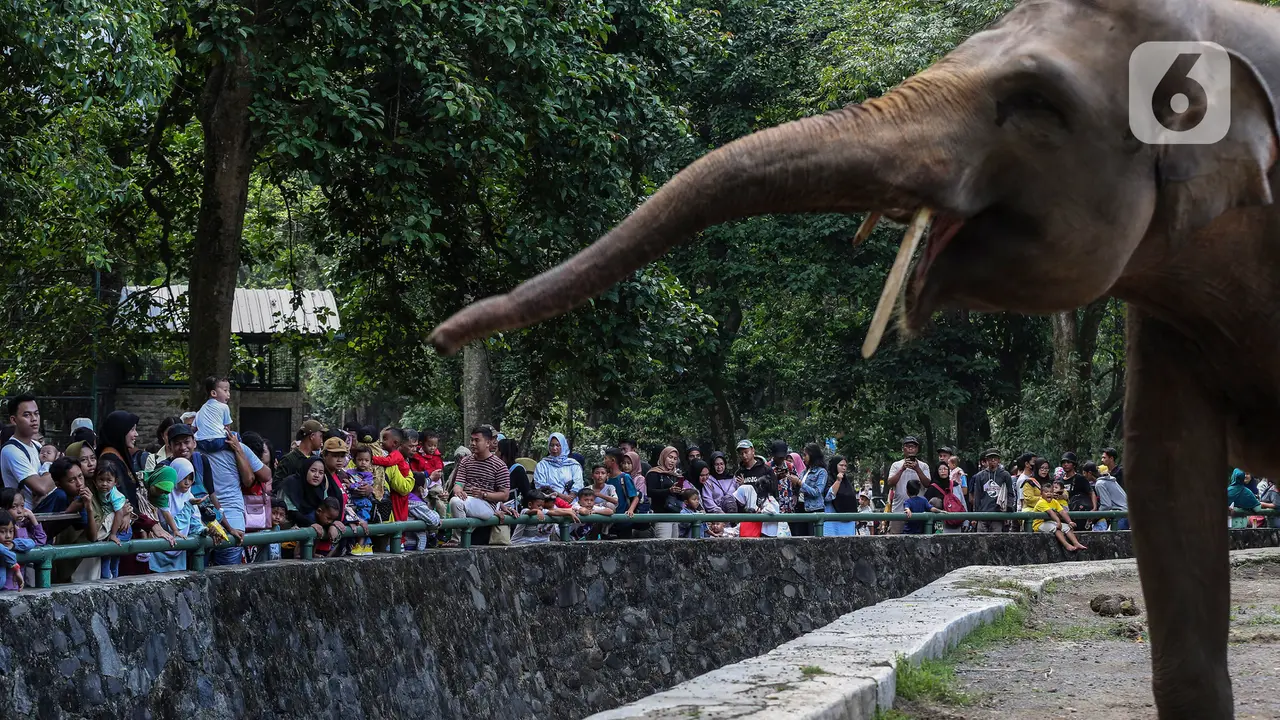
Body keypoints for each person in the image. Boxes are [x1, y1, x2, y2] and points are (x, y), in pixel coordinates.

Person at [447, 426, 511, 529]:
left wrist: (484, 495)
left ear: (488, 443)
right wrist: (458, 490)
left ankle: (459, 538)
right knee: (455, 500)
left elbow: (504, 495)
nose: (473, 443)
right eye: (472, 440)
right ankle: (463, 536)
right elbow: (459, 483)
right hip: (467, 500)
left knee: (456, 502)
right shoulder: (465, 461)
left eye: (477, 440)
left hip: (487, 505)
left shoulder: (500, 465)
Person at [2, 394, 53, 501]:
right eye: (27, 415)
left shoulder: (37, 446)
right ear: (13, 420)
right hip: (26, 514)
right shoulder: (11, 450)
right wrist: (52, 465)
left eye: (36, 413)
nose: (34, 419)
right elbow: (41, 488)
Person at [92, 465, 133, 579]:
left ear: (115, 482)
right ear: (95, 481)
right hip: (112, 529)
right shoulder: (98, 492)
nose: (104, 484)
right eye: (101, 480)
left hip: (122, 531)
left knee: (108, 555)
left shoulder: (115, 495)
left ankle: (110, 579)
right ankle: (111, 578)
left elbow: (119, 513)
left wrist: (113, 534)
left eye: (108, 480)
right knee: (110, 557)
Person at [886, 436, 930, 534]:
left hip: (918, 512)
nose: (910, 449)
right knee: (895, 541)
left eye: (913, 446)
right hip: (899, 510)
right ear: (903, 449)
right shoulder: (896, 465)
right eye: (908, 446)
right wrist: (902, 469)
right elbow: (890, 483)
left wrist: (917, 469)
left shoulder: (923, 466)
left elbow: (927, 484)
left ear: (917, 449)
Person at [1034, 479, 1087, 551]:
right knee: (1057, 528)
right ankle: (1066, 545)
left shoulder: (1054, 501)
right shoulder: (1041, 502)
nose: (1049, 494)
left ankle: (1076, 543)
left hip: (1050, 522)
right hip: (1038, 524)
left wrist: (1069, 522)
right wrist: (1058, 522)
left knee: (1068, 527)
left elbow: (1062, 512)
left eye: (1051, 492)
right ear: (1041, 494)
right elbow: (1051, 512)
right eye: (1046, 492)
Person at [970, 449, 1014, 532]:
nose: (993, 460)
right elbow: (977, 496)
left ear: (999, 460)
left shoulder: (1005, 475)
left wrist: (1008, 511)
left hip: (998, 514)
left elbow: (1010, 494)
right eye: (990, 458)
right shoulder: (980, 476)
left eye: (995, 458)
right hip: (983, 514)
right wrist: (975, 516)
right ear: (987, 460)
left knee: (996, 540)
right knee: (981, 540)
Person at [533, 433, 583, 504]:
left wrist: (571, 497)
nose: (554, 448)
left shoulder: (573, 464)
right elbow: (541, 486)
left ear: (563, 446)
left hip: (572, 503)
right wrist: (562, 496)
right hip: (550, 503)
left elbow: (578, 483)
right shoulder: (542, 465)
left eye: (557, 445)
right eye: (552, 445)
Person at [646, 446, 684, 539]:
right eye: (670, 457)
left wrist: (681, 492)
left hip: (675, 514)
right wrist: (669, 490)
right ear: (663, 457)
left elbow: (676, 496)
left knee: (675, 547)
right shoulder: (654, 473)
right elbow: (650, 492)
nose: (672, 461)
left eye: (675, 459)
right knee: (663, 547)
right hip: (661, 515)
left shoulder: (674, 475)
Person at [602, 448, 640, 539]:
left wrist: (630, 510)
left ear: (612, 460)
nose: (604, 461)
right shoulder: (606, 478)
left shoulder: (624, 477)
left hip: (624, 521)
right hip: (609, 521)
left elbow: (635, 497)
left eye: (605, 458)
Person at [347, 445, 376, 555]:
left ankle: (360, 544)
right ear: (354, 460)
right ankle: (365, 546)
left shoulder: (369, 475)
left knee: (362, 522)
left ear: (370, 462)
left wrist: (351, 485)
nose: (363, 462)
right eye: (360, 460)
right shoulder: (350, 472)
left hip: (364, 503)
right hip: (352, 503)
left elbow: (362, 486)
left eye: (366, 460)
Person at [794, 443, 827, 536]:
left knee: (813, 538)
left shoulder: (822, 472)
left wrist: (800, 483)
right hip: (801, 507)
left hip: (814, 509)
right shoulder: (804, 472)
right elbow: (799, 489)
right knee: (800, 537)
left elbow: (817, 492)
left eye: (805, 455)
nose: (803, 458)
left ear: (812, 455)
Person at [823, 455, 858, 536]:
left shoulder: (847, 482)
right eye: (841, 465)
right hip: (832, 521)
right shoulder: (828, 478)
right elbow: (828, 497)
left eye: (845, 466)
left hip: (848, 523)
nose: (844, 468)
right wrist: (838, 481)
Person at [1090, 462, 1129, 531]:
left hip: (1120, 514)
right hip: (1126, 512)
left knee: (1115, 538)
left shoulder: (1100, 483)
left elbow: (1106, 505)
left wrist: (1096, 516)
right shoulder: (1110, 481)